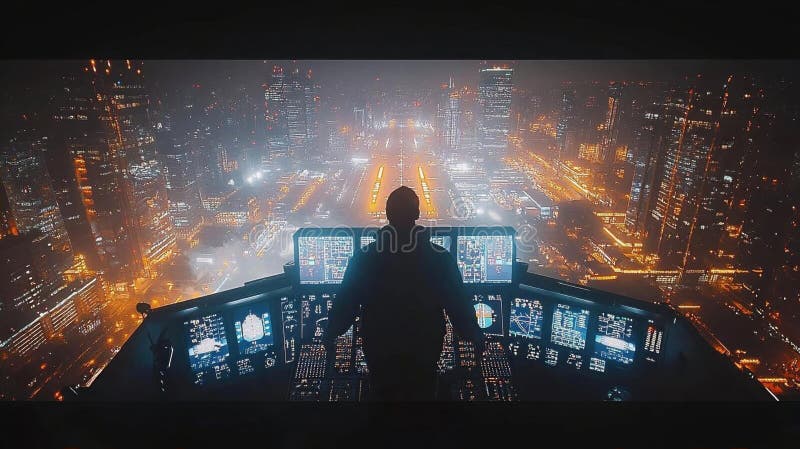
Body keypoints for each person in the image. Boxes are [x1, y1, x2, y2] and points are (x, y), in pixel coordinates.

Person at [326, 186, 484, 401]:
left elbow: (345, 306)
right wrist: (474, 336)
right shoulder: (440, 258)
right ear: (417, 215)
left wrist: (330, 334)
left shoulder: (365, 257)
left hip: (380, 351)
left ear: (387, 214)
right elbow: (459, 307)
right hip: (424, 351)